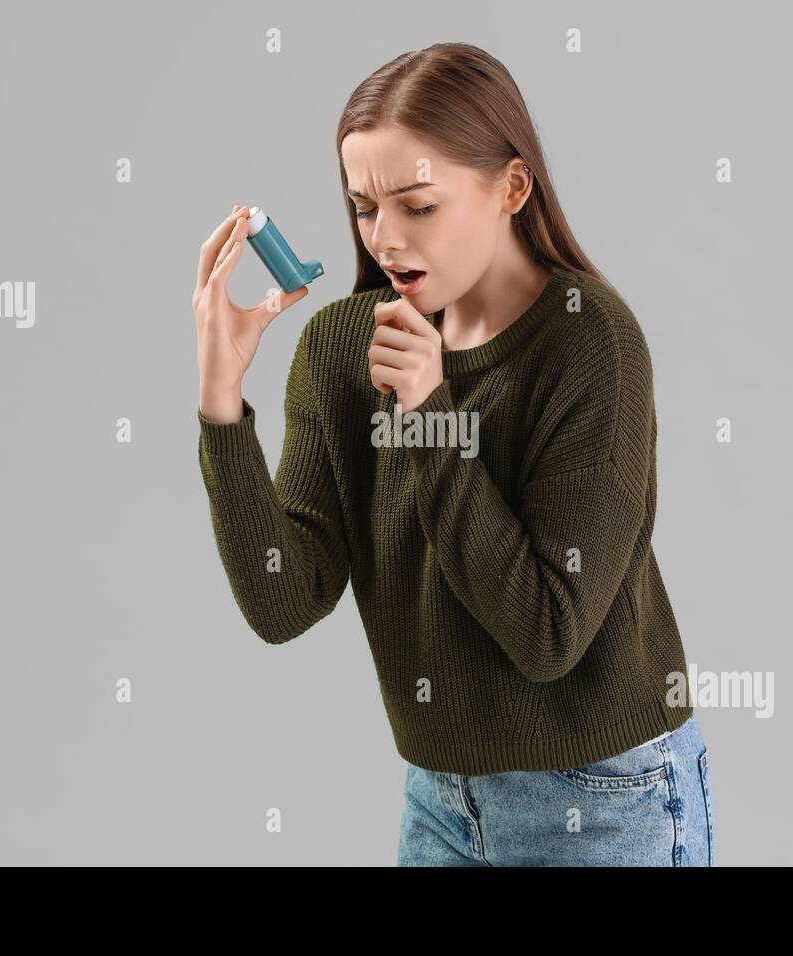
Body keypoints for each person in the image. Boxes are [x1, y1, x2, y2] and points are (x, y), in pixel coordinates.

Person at [192, 42, 714, 866]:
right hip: (440, 797)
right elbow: (284, 602)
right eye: (364, 207)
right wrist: (222, 405)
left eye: (417, 206)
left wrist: (430, 416)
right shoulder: (340, 349)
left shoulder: (591, 347)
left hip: (604, 798)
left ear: (512, 186)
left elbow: (548, 634)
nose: (385, 237)